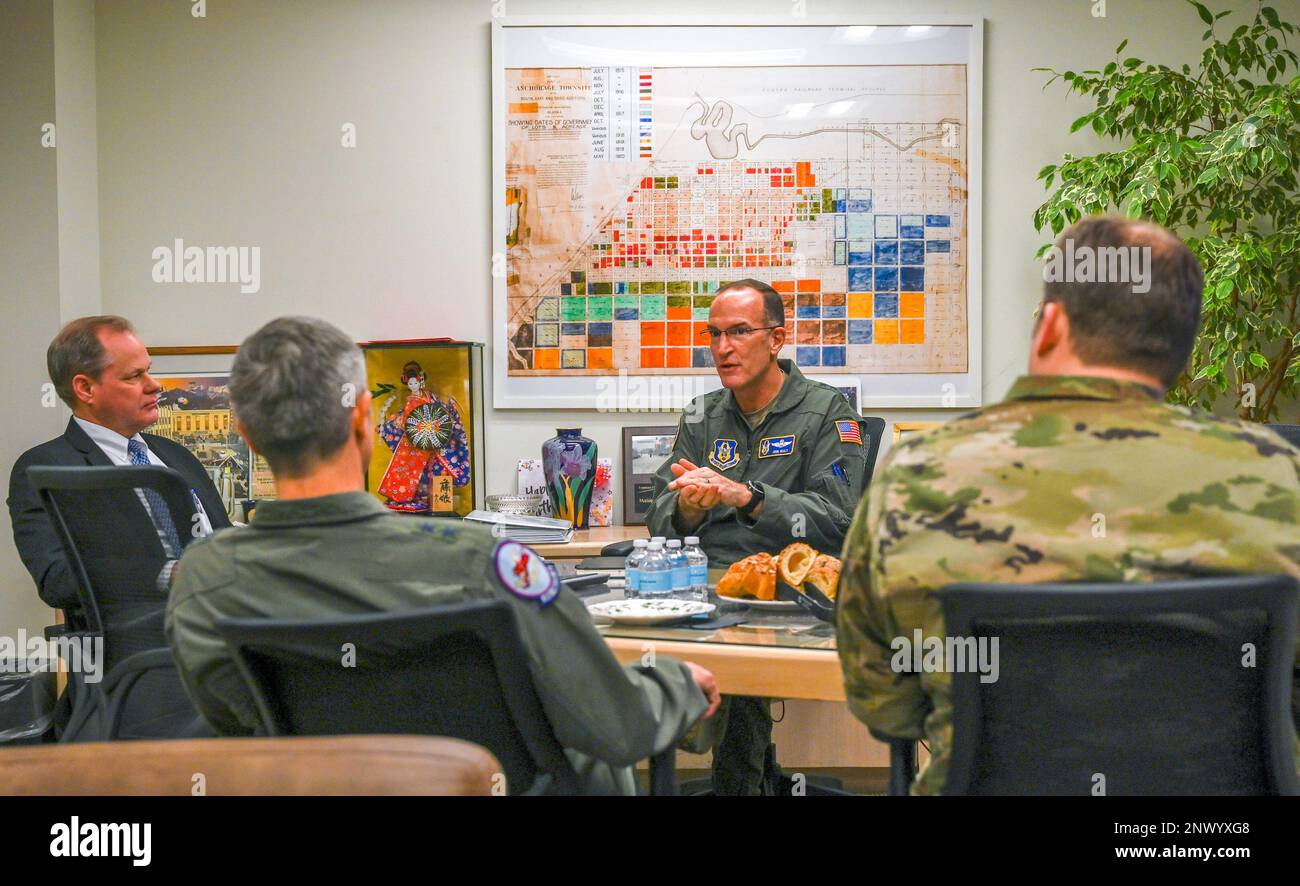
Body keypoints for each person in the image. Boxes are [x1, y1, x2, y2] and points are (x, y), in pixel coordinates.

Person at [836, 215, 1300, 794]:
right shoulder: (1277, 476)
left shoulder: (915, 476)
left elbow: (885, 705)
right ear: (1178, 354)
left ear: (1050, 325)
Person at [165, 316, 720, 794]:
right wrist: (678, 684)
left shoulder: (205, 580)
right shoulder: (483, 561)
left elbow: (244, 726)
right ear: (362, 420)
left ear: (247, 435)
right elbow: (612, 725)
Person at [645, 279, 868, 794]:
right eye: (715, 334)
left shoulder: (828, 412)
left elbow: (840, 518)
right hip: (701, 584)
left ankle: (738, 784)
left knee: (733, 666)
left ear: (776, 339)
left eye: (739, 332)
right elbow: (659, 515)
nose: (723, 348)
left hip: (782, 589)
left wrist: (748, 496)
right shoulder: (702, 415)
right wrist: (686, 507)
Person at [8, 315, 229, 617]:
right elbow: (58, 580)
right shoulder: (47, 468)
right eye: (133, 376)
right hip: (144, 647)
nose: (155, 386)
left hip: (230, 627)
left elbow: (222, 539)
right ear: (85, 388)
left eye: (148, 371)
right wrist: (169, 573)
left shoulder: (176, 456)